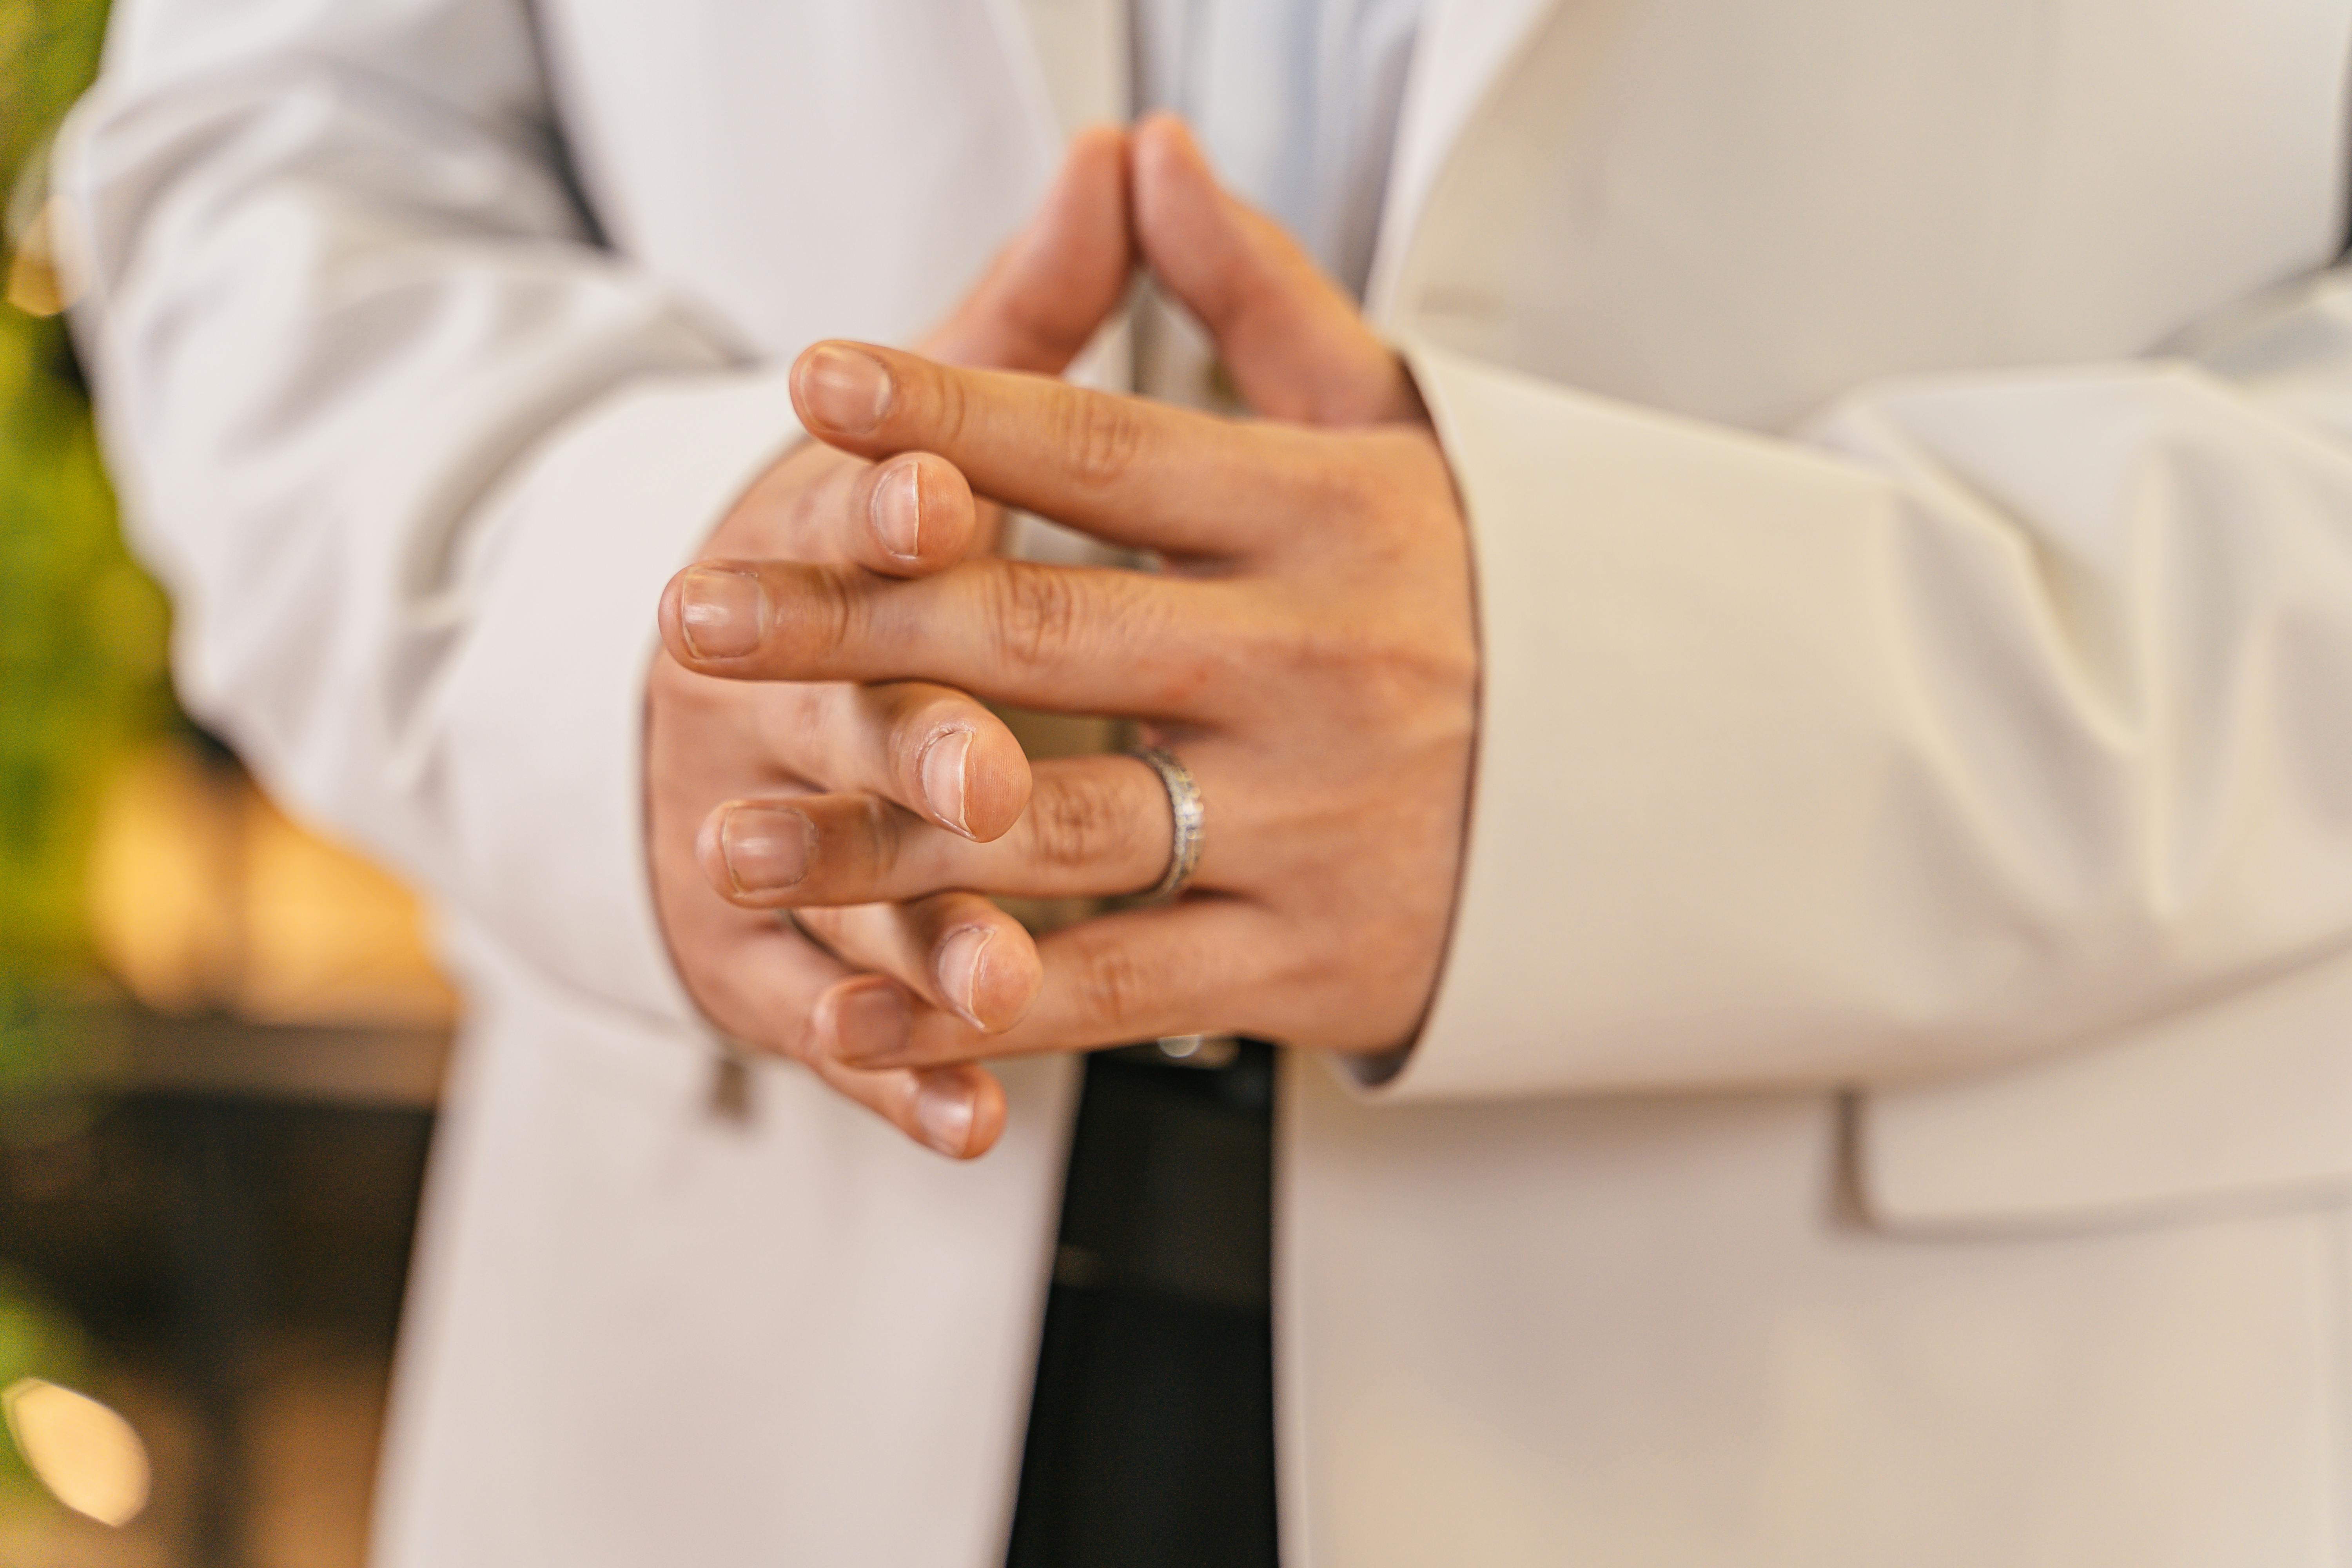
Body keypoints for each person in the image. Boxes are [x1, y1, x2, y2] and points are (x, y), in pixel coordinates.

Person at [53, 0, 2352, 1562]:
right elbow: (267, 152)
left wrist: (1658, 706)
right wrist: (643, 638)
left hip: (1972, 1406)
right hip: (727, 1341)